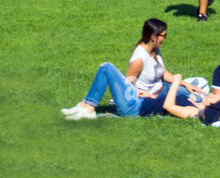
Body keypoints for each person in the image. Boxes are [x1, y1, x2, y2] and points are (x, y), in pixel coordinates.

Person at [61, 18, 198, 119]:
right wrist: (141, 93)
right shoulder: (139, 58)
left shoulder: (155, 50)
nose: (165, 38)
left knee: (193, 92)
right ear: (153, 36)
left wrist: (185, 83)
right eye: (163, 35)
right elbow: (129, 81)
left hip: (160, 91)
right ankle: (88, 106)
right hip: (142, 99)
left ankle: (85, 105)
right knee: (106, 67)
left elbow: (163, 73)